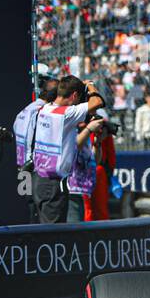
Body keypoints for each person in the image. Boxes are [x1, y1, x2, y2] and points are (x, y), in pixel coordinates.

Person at [31, 75, 105, 223]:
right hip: (53, 183)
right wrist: (90, 85)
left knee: (47, 229)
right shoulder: (66, 114)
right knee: (54, 234)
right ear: (74, 95)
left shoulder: (45, 109)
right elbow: (98, 102)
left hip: (40, 180)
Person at [84, 110, 117, 221]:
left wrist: (109, 173)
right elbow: (111, 155)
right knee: (89, 208)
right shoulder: (80, 122)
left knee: (95, 209)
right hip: (89, 170)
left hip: (97, 170)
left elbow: (110, 153)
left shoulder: (102, 123)